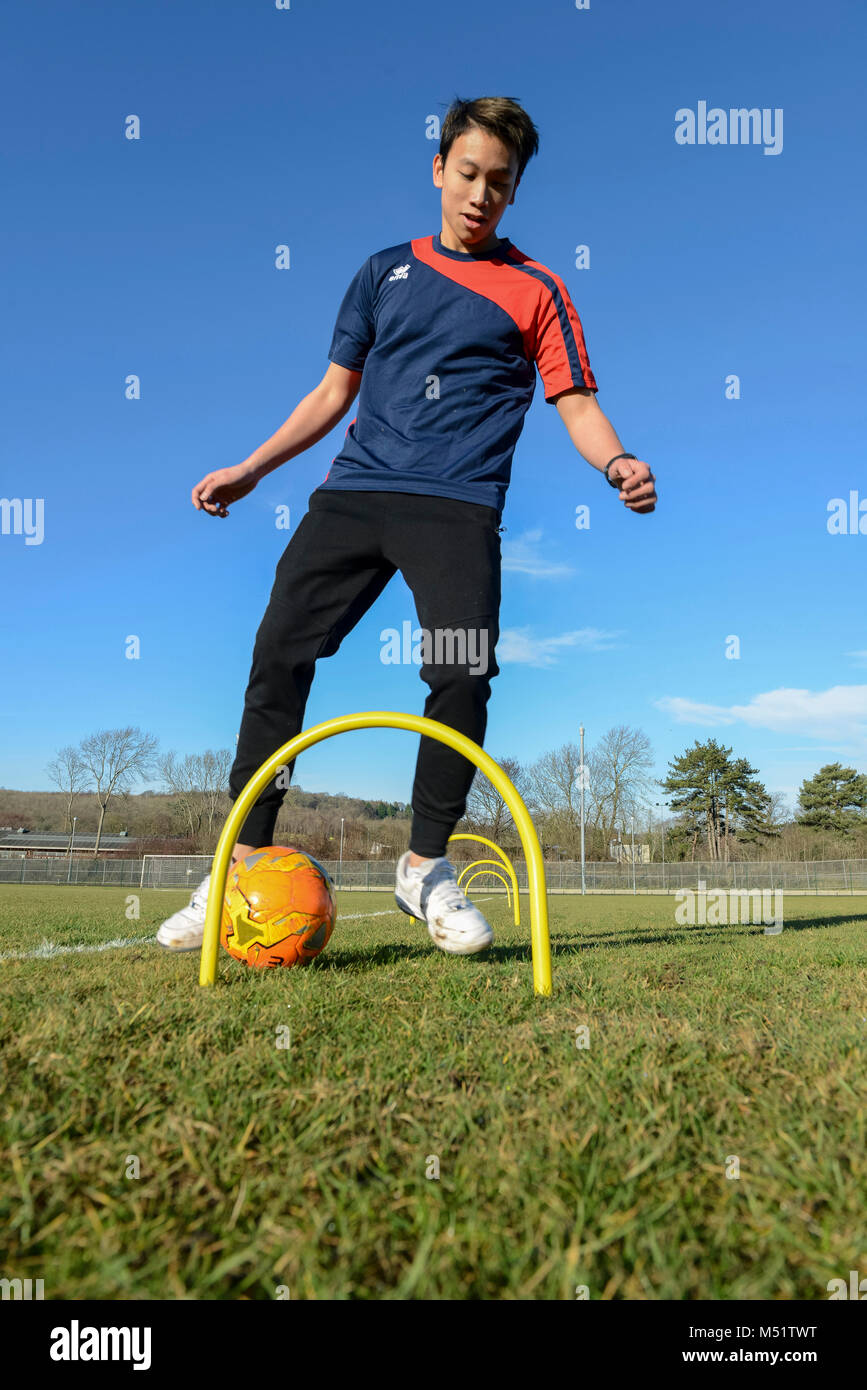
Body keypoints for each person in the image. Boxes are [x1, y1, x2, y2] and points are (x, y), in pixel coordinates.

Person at [157, 95, 657, 957]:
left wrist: (615, 463)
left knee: (462, 675)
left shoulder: (538, 289)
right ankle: (240, 860)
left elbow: (574, 401)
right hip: (353, 495)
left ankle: (424, 866)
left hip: (458, 507)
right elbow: (330, 393)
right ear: (437, 169)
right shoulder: (383, 270)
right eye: (466, 174)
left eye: (499, 184)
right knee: (279, 651)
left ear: (514, 193)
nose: (479, 195)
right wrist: (251, 467)